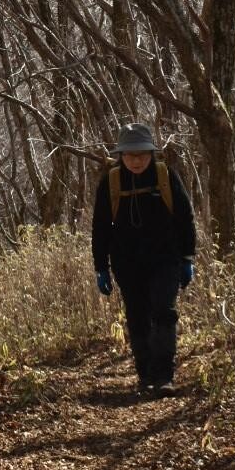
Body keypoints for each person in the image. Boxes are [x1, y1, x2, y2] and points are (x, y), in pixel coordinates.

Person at [91, 122, 196, 396]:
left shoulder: (165, 176)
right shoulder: (111, 182)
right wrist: (101, 268)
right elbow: (100, 227)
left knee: (164, 311)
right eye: (130, 155)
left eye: (141, 154)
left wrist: (188, 257)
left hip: (165, 259)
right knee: (137, 316)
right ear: (121, 155)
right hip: (127, 264)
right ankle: (146, 376)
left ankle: (164, 375)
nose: (136, 161)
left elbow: (185, 217)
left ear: (151, 153)